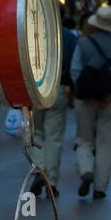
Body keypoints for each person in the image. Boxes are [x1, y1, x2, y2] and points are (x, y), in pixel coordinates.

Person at [70, 3, 111, 199]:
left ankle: (86, 170)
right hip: (110, 101)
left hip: (85, 99)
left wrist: (86, 93)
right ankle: (100, 187)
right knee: (106, 143)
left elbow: (75, 70)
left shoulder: (83, 43)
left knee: (84, 139)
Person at [29, 12, 78, 199]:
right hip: (58, 88)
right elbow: (74, 65)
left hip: (35, 88)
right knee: (54, 138)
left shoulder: (32, 33)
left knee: (36, 134)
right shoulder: (69, 37)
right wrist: (70, 86)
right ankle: (52, 181)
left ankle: (40, 171)